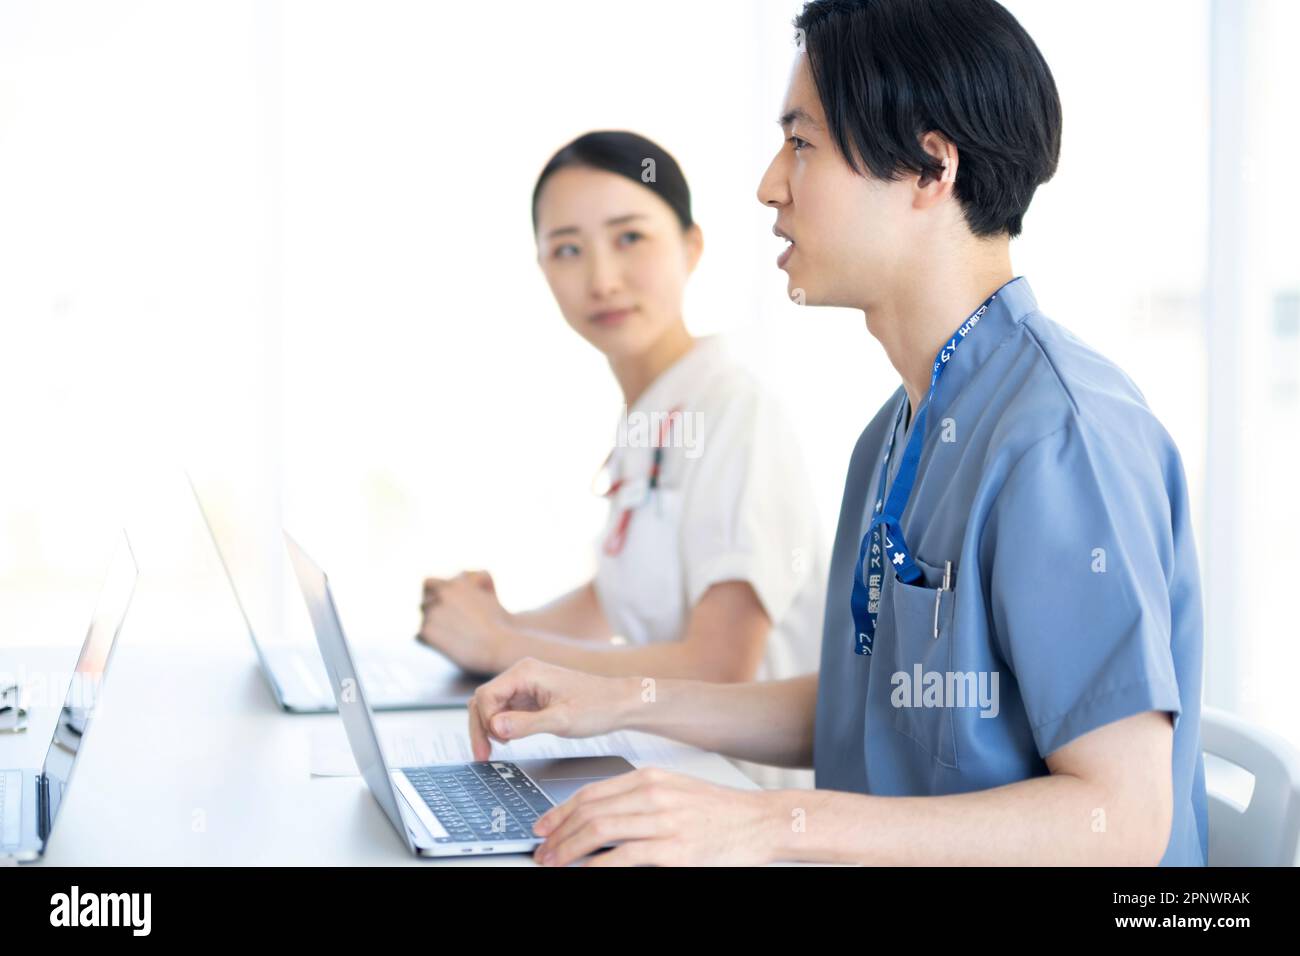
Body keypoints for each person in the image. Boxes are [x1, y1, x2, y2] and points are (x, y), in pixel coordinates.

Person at [461, 0, 1208, 866]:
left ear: (930, 169)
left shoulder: (1060, 439)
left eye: (801, 142)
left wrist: (760, 823)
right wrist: (614, 699)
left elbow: (1120, 819)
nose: (770, 183)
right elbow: (872, 709)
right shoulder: (893, 436)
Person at [418, 130, 827, 789]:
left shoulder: (732, 414)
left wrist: (502, 646)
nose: (601, 278)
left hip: (743, 796)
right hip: (663, 769)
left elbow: (721, 666)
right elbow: (614, 598)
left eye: (630, 237)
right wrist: (496, 624)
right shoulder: (653, 415)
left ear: (692, 248)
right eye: (568, 250)